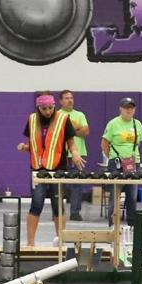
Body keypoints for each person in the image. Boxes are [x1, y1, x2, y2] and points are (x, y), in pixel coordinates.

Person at [18, 91, 83, 246]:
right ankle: (30, 243)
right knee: (36, 204)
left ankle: (60, 242)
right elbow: (34, 143)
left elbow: (71, 143)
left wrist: (75, 153)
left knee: (57, 205)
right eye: (44, 109)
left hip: (57, 169)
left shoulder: (63, 119)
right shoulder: (32, 120)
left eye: (50, 108)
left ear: (54, 105)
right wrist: (25, 147)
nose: (48, 111)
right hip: (38, 169)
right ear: (38, 108)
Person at [102, 97, 142, 226]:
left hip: (133, 163)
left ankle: (131, 224)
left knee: (132, 195)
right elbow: (104, 144)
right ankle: (112, 224)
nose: (129, 110)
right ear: (120, 109)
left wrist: (131, 156)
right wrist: (113, 157)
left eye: (131, 107)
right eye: (126, 107)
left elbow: (138, 142)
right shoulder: (113, 123)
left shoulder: (137, 124)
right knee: (115, 194)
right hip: (116, 163)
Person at [59, 89, 92, 221]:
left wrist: (68, 130)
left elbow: (86, 131)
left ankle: (75, 212)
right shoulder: (57, 115)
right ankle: (59, 212)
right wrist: (76, 129)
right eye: (67, 98)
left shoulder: (80, 115)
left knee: (77, 184)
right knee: (59, 184)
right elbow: (56, 133)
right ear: (61, 101)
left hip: (79, 154)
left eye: (71, 98)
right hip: (61, 154)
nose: (70, 100)